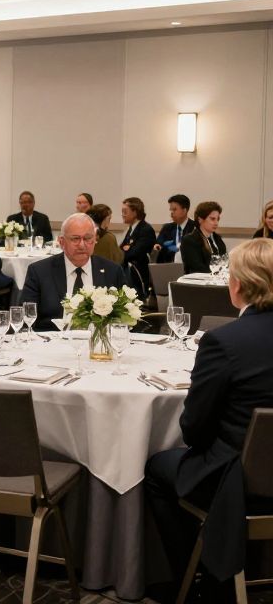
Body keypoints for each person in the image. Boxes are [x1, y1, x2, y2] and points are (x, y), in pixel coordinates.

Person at [145, 239, 273, 601]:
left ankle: (193, 578)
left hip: (240, 480)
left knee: (157, 469)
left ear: (238, 285)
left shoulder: (223, 342)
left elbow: (195, 430)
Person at [20, 213, 125, 330]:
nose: (82, 245)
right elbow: (26, 319)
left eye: (87, 238)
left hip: (97, 343)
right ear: (61, 242)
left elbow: (123, 318)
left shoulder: (112, 271)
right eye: (75, 239)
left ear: (95, 239)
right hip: (52, 343)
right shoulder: (39, 271)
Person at [120, 196, 157, 299]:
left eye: (125, 211)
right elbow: (121, 250)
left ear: (135, 212)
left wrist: (126, 250)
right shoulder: (131, 229)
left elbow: (134, 253)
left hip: (138, 276)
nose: (122, 215)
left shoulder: (145, 229)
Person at [180, 200, 227, 275]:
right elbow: (197, 268)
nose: (216, 223)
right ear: (200, 219)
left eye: (218, 219)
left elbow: (224, 260)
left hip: (217, 280)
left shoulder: (217, 239)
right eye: (212, 219)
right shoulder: (189, 240)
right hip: (197, 282)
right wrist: (217, 274)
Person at [155, 194, 196, 263]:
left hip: (189, 267)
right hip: (169, 266)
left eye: (174, 210)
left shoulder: (195, 227)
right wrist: (158, 247)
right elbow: (158, 245)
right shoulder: (167, 228)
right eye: (171, 210)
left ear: (184, 210)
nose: (171, 213)